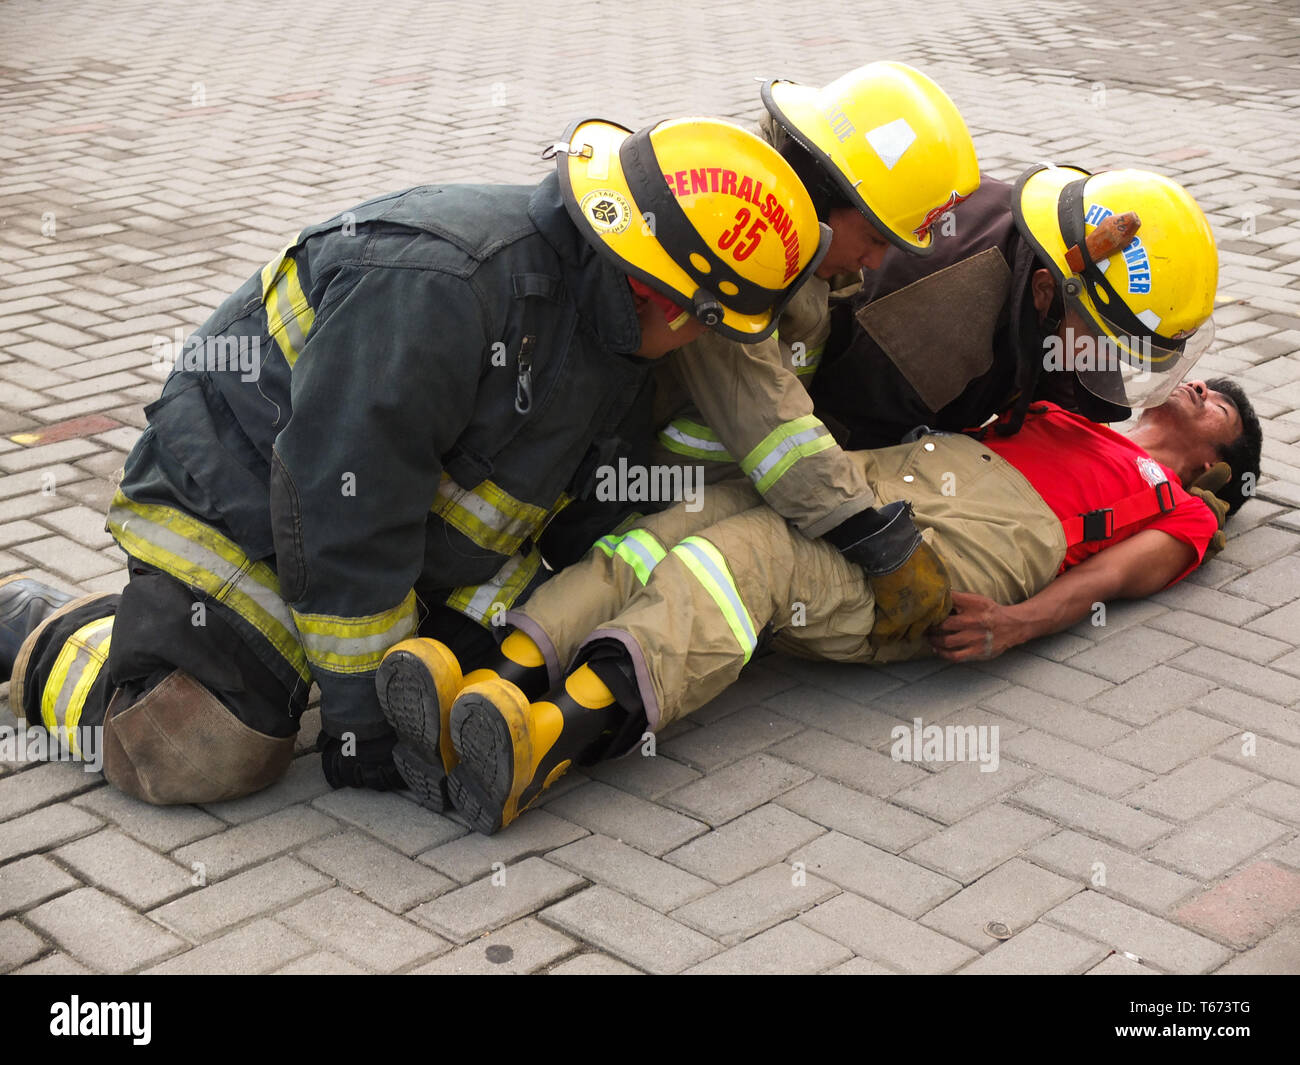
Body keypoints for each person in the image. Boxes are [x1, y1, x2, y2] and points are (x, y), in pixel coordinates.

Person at [0, 116, 830, 805]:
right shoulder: (444, 284)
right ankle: (44, 632)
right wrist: (358, 711)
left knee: (489, 668)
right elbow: (341, 494)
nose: (705, 343)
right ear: (665, 295)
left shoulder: (605, 321)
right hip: (238, 501)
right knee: (201, 748)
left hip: (389, 530)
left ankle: (311, 650)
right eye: (709, 322)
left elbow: (575, 501)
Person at [376, 376, 1262, 833]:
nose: (1202, 388)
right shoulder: (1078, 412)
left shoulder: (1179, 509)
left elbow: (1109, 582)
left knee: (748, 557)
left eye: (1221, 402)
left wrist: (1014, 624)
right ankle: (496, 675)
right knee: (686, 517)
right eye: (1206, 379)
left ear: (1217, 466)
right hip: (895, 476)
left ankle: (550, 739)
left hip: (970, 549)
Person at [810, 163, 1220, 450]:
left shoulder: (1054, 258)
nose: (1103, 357)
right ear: (1046, 290)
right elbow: (857, 445)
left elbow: (1061, 377)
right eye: (1103, 341)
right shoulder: (940, 324)